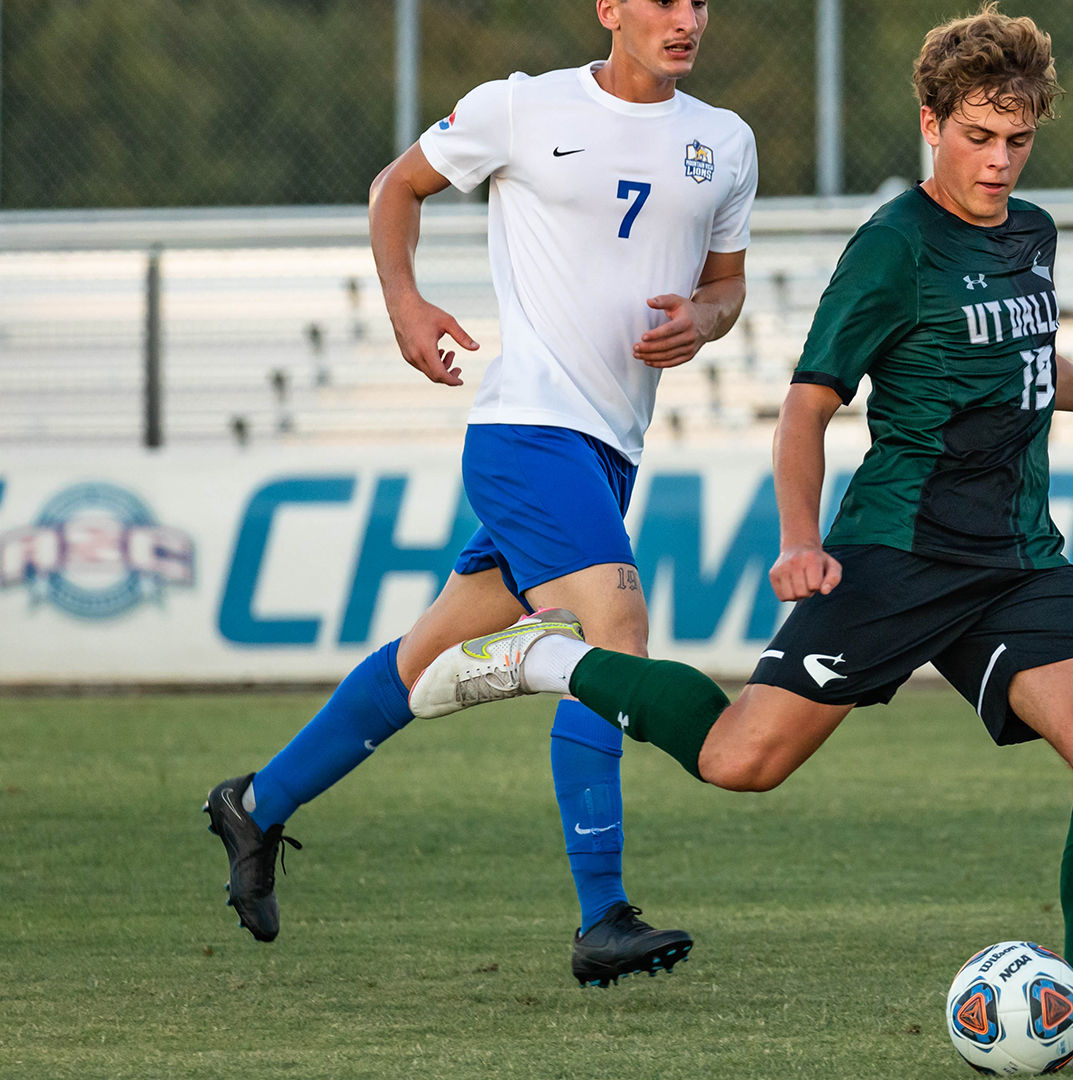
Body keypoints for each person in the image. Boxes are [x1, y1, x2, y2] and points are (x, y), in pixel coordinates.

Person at [406, 4, 1073, 1067]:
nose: (999, 160)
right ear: (932, 123)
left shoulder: (1033, 233)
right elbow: (807, 405)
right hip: (895, 550)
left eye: (1018, 139)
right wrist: (803, 539)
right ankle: (545, 657)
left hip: (1018, 558)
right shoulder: (893, 246)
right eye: (978, 136)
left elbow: (1013, 362)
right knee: (741, 760)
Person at [201, 0, 757, 989]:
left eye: (699, 2)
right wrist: (405, 302)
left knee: (426, 658)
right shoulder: (521, 108)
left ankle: (258, 801)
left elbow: (727, 287)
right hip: (526, 431)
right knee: (615, 626)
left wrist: (703, 321)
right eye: (664, 0)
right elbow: (395, 188)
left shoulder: (723, 141)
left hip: (607, 452)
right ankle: (603, 919)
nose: (686, 19)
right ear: (610, 8)